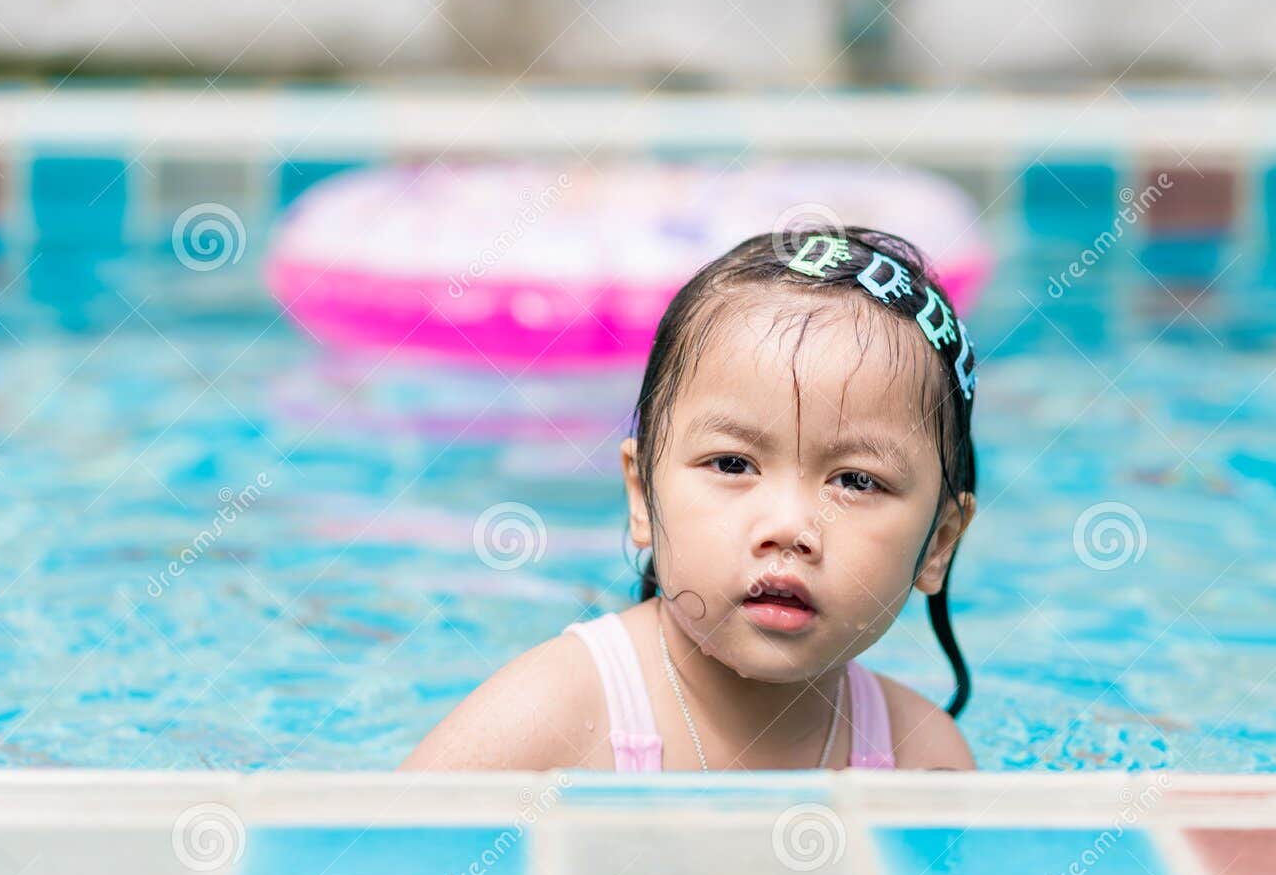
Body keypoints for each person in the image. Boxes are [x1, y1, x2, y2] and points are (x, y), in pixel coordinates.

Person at [401, 226, 977, 771]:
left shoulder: (920, 757)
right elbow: (376, 857)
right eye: (732, 464)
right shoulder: (552, 718)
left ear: (939, 544)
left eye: (855, 481)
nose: (788, 527)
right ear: (642, 496)